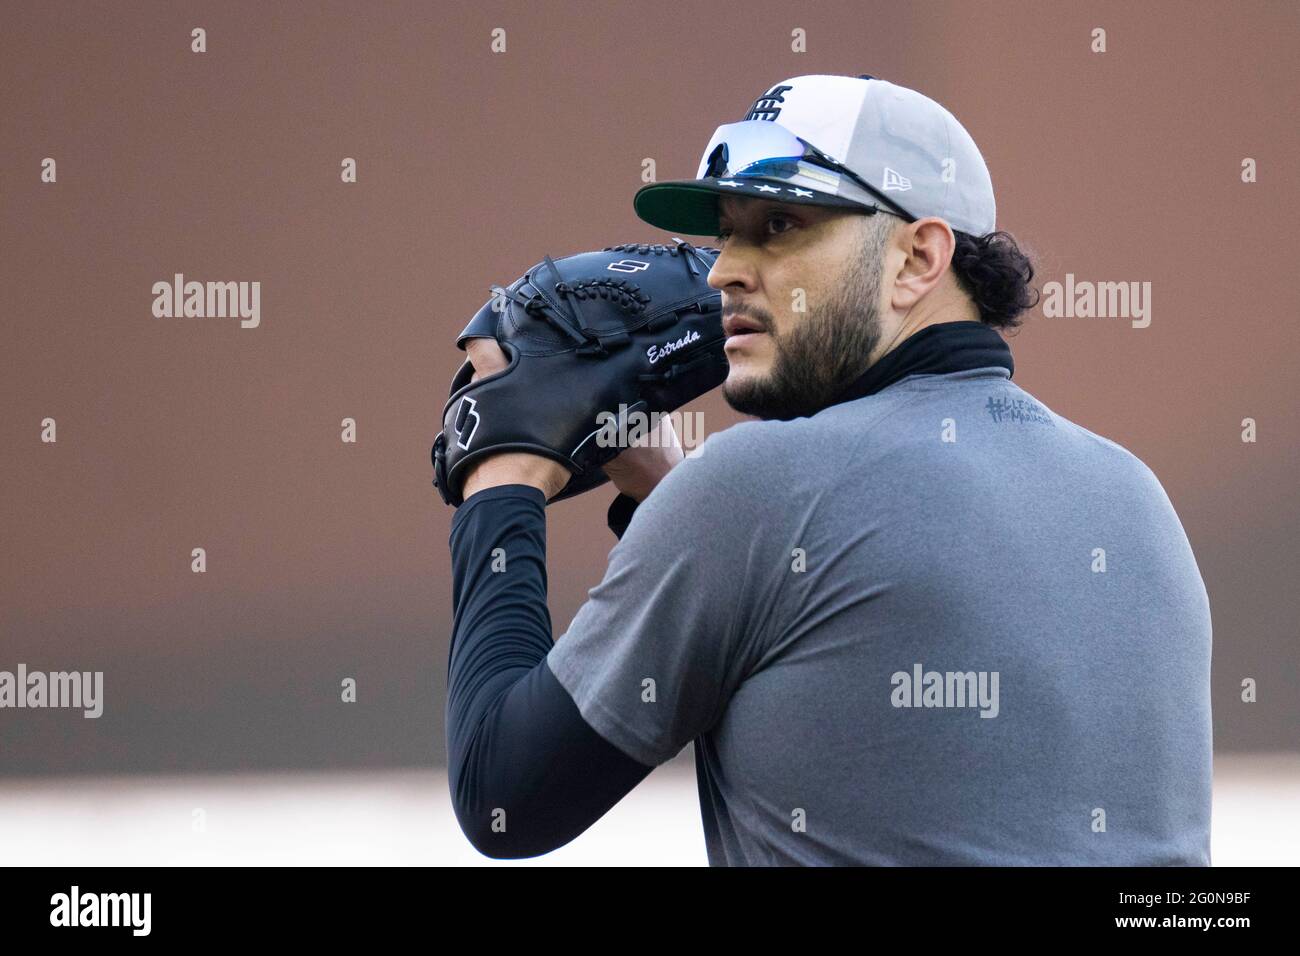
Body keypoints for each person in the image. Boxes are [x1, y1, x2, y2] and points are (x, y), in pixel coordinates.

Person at [444, 74, 1212, 865]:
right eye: (728, 233)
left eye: (779, 224)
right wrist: (670, 496)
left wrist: (502, 484)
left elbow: (502, 796)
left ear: (918, 258)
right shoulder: (1133, 497)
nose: (723, 272)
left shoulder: (758, 492)